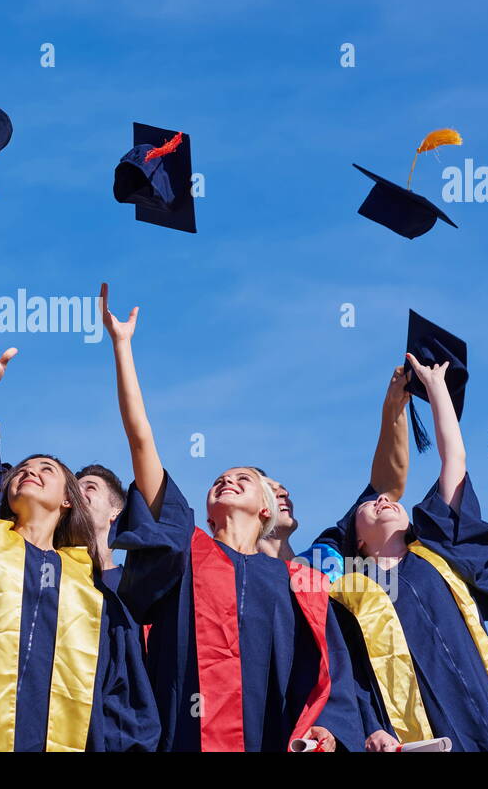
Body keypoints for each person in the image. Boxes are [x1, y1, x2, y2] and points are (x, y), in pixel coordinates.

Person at [100, 283, 377, 752]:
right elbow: (142, 443)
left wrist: (328, 730)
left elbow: (332, 677)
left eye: (243, 479)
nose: (226, 481)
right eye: (219, 480)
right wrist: (123, 348)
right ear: (205, 512)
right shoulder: (185, 550)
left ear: (267, 507)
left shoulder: (302, 584)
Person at [0, 291, 160, 751]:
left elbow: (120, 700)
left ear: (68, 501)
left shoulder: (92, 586)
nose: (29, 471)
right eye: (22, 468)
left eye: (46, 470)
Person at [313, 352, 488, 752]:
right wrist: (371, 728)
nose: (383, 502)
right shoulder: (347, 594)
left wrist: (436, 387)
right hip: (416, 729)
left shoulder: (437, 550)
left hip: (483, 712)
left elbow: (453, 461)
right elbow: (349, 673)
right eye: (369, 506)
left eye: (390, 502)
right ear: (356, 541)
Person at [259, 366, 411, 562]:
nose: (283, 493)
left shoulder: (326, 559)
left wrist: (394, 405)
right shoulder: (229, 577)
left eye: (281, 488)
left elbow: (386, 487)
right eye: (267, 491)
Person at [76, 463, 126, 585]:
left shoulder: (134, 587)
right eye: (74, 490)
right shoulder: (50, 571)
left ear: (116, 513)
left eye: (90, 488)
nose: (76, 494)